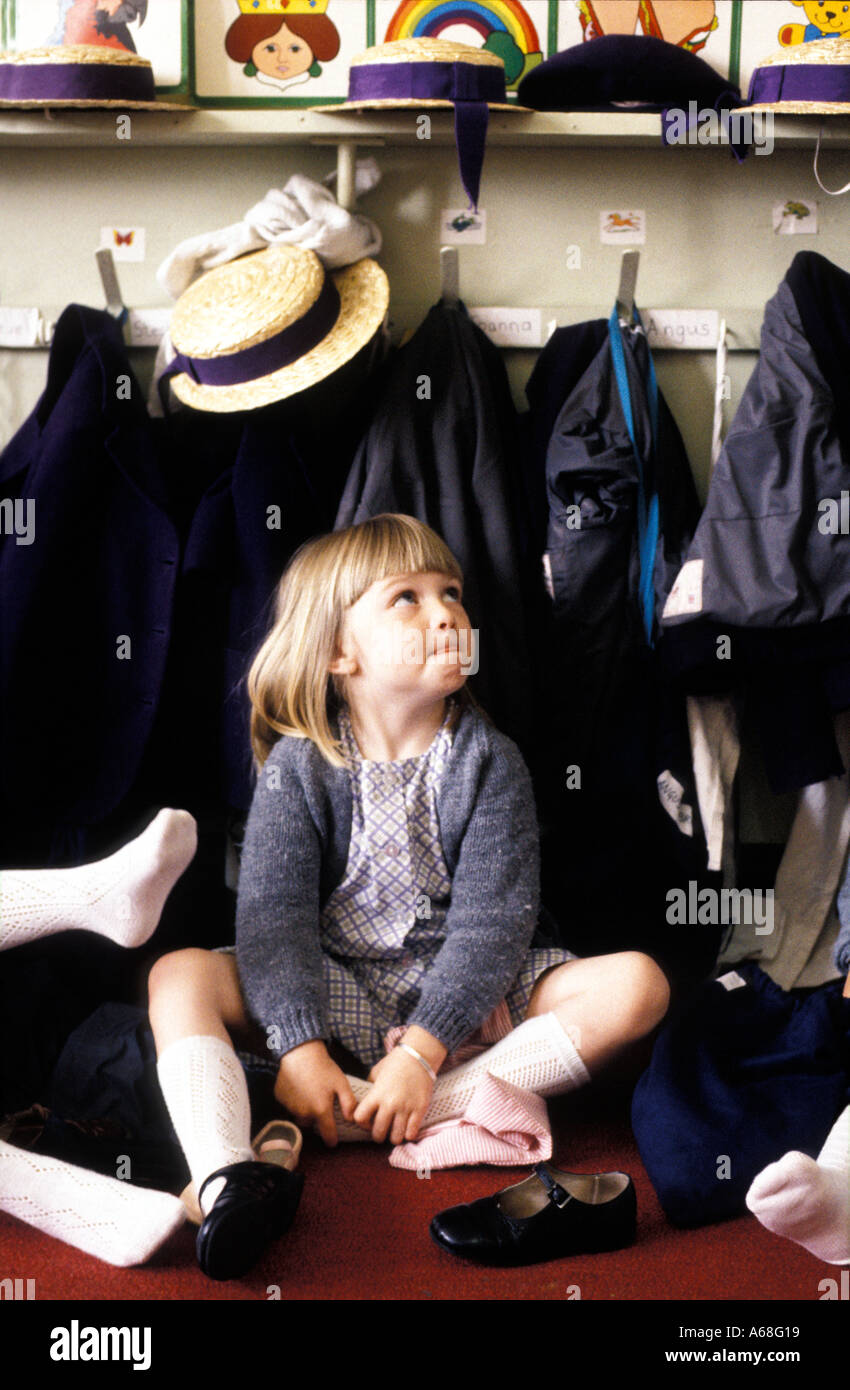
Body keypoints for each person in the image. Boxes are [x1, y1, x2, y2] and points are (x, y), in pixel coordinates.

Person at [147, 513, 671, 1280]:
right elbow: (274, 921)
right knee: (177, 975)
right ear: (337, 650)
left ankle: (421, 1104)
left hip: (472, 1003)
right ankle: (228, 1174)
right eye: (408, 598)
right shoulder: (301, 767)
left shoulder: (489, 761)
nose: (447, 611)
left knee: (638, 986)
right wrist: (298, 1045)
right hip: (339, 991)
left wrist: (423, 1055)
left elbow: (495, 926)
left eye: (452, 592)